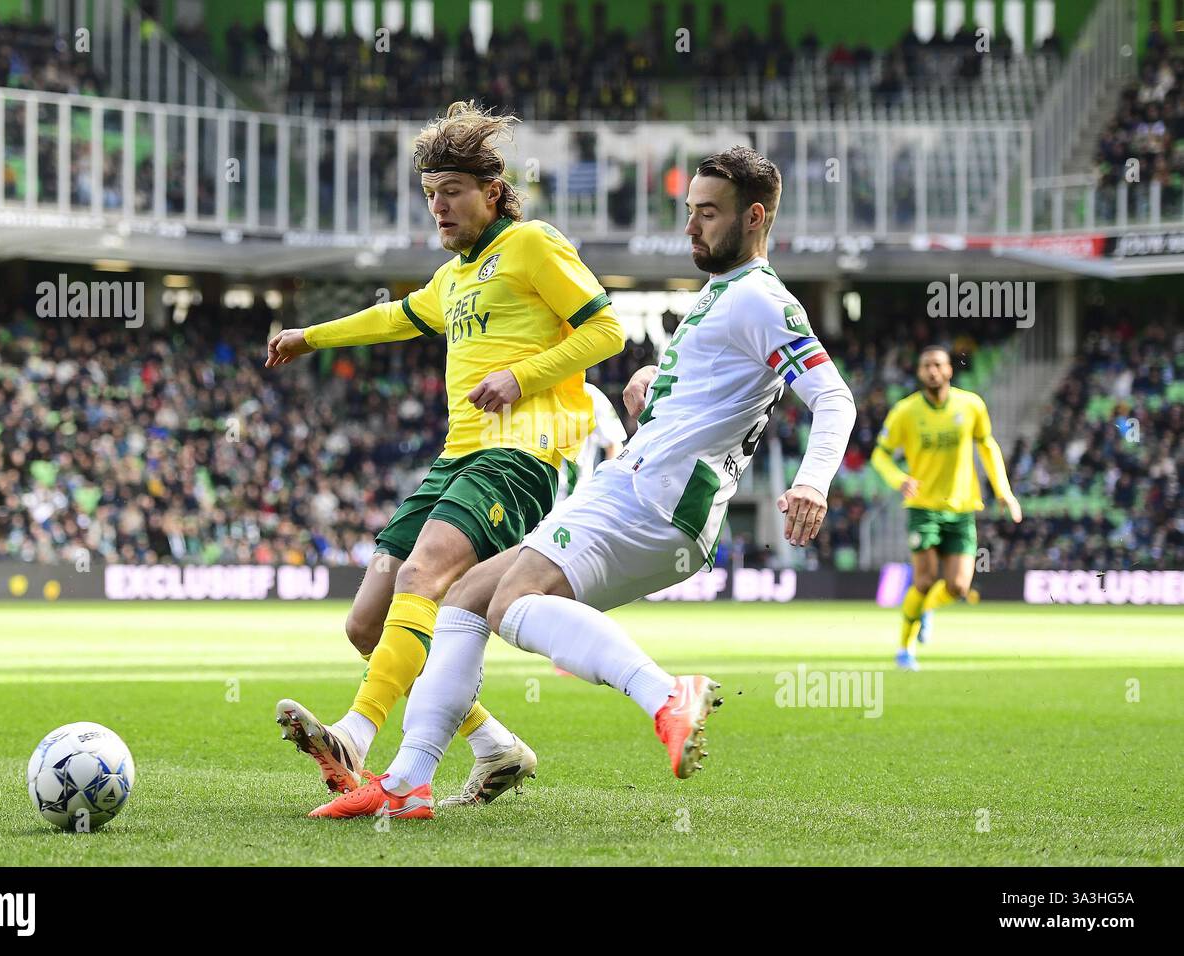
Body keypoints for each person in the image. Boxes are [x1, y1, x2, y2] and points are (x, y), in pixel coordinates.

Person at [306, 144, 857, 820]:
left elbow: (834, 398)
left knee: (510, 603)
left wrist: (813, 482)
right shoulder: (721, 296)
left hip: (650, 495)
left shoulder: (762, 299)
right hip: (658, 496)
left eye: (708, 214)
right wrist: (656, 385)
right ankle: (407, 783)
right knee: (466, 600)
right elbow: (724, 395)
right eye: (689, 211)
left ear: (755, 218)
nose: (691, 226)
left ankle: (664, 696)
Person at [265, 101, 626, 812]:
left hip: (520, 454)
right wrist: (311, 335)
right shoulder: (453, 278)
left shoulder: (531, 245)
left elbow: (607, 329)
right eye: (430, 194)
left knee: (425, 574)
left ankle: (355, 739)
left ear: (492, 191)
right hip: (455, 459)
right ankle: (495, 747)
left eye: (451, 192)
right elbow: (395, 318)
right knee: (367, 623)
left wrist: (521, 376)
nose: (438, 207)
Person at [870, 345, 1023, 670]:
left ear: (950, 370)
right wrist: (899, 479)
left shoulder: (971, 405)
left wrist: (1003, 491)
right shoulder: (905, 411)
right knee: (924, 580)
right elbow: (879, 455)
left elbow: (987, 445)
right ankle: (905, 649)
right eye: (926, 365)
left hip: (962, 507)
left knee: (957, 587)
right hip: (923, 507)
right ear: (919, 372)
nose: (933, 371)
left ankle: (925, 610)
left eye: (938, 365)